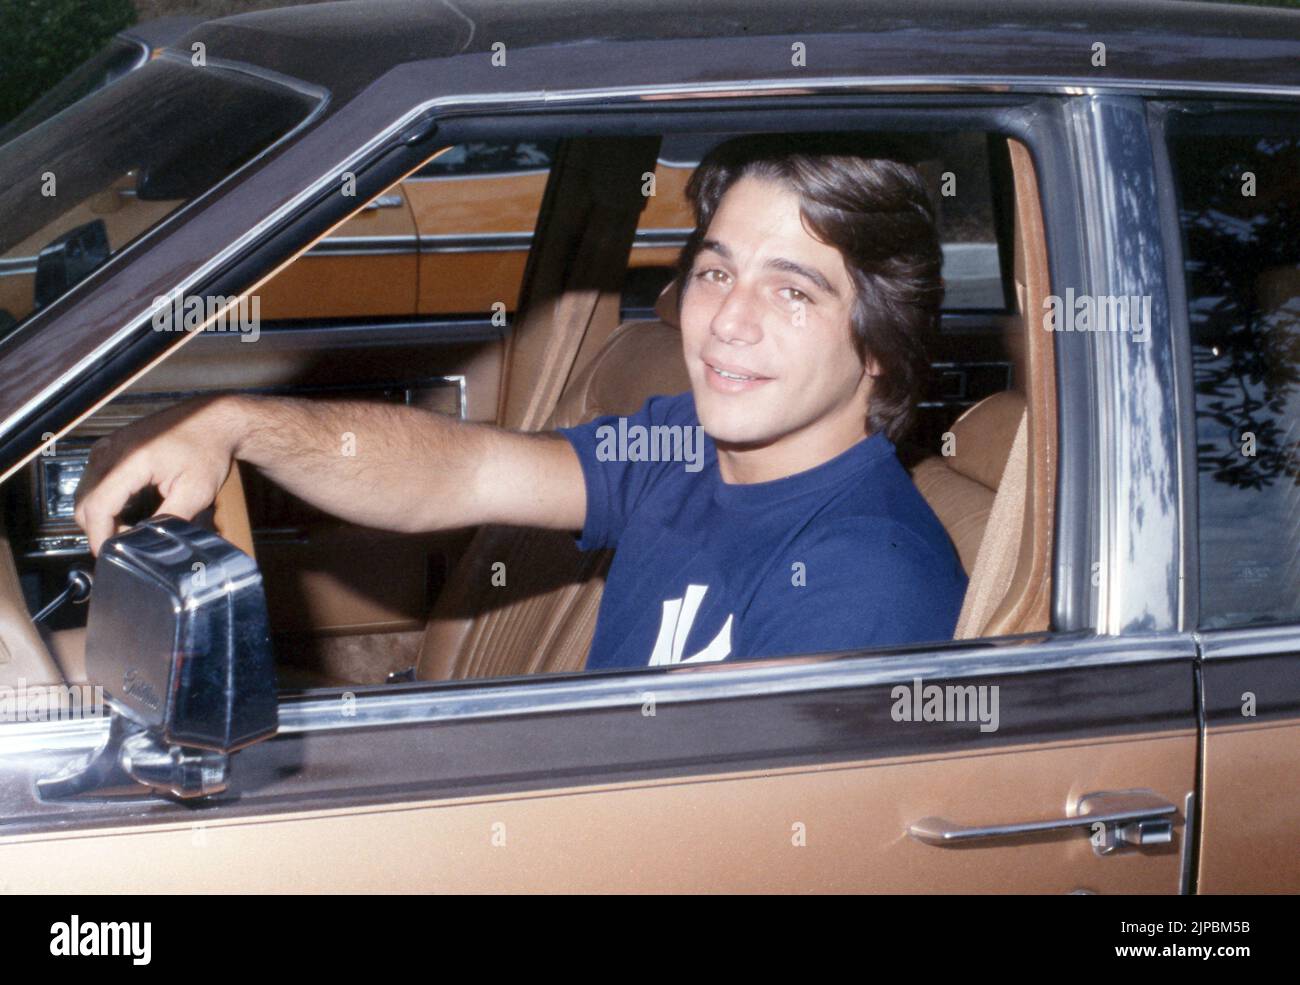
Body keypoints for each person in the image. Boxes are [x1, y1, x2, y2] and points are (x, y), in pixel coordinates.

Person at [73, 133, 968, 670]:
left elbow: (742, 846)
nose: (727, 321)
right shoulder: (682, 446)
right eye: (714, 271)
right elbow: (462, 471)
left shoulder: (868, 580)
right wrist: (239, 423)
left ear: (881, 350)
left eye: (792, 291)